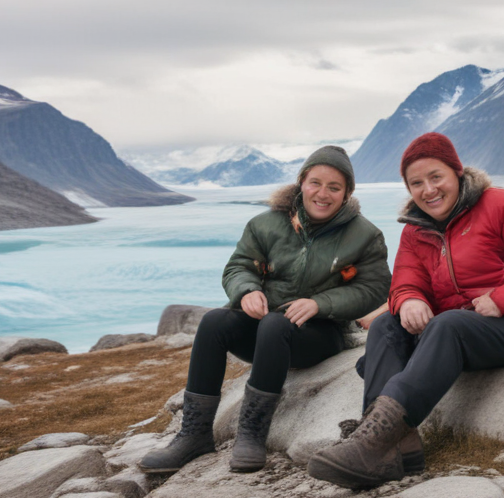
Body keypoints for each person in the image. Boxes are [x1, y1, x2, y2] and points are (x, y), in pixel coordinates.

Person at [308, 132, 504, 488]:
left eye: (436, 177)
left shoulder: (502, 205)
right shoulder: (415, 230)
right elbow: (407, 280)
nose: (428, 190)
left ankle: (372, 442)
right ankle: (392, 451)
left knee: (448, 324)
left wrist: (502, 299)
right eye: (416, 183)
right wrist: (410, 300)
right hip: (458, 330)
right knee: (387, 324)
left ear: (457, 173)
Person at [139, 146, 391, 474]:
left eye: (334, 187)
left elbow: (372, 290)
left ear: (347, 194)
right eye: (315, 182)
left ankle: (252, 435)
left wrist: (320, 303)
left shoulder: (364, 235)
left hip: (321, 335)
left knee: (276, 324)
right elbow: (240, 266)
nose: (323, 193)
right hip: (266, 330)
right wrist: (247, 290)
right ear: (301, 182)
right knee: (215, 321)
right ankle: (194, 435)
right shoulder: (266, 223)